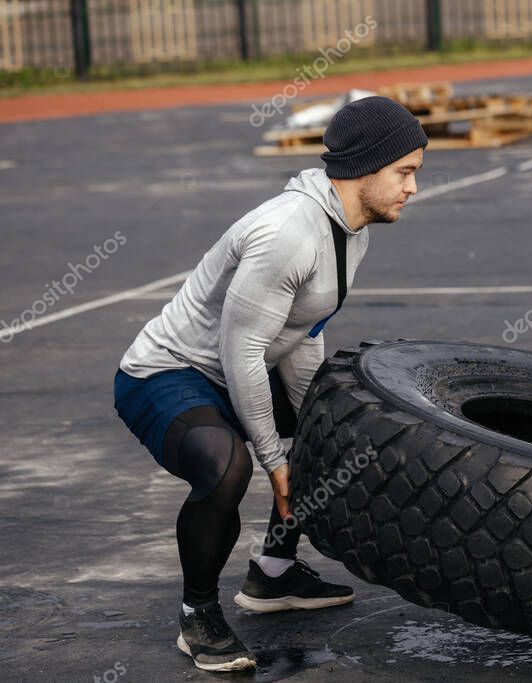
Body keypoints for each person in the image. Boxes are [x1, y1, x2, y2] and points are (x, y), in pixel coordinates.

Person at [113, 96, 427, 672]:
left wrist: (316, 423)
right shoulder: (287, 232)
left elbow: (303, 333)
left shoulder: (350, 228)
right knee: (228, 465)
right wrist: (275, 461)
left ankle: (274, 573)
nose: (412, 188)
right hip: (165, 374)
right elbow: (242, 354)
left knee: (331, 426)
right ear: (363, 168)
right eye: (403, 172)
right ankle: (198, 615)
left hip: (241, 367)